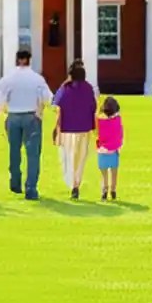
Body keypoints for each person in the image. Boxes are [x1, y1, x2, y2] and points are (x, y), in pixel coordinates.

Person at [0, 49, 53, 200]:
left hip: (14, 115)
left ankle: (15, 181)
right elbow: (47, 98)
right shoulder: (37, 79)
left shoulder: (9, 78)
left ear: (17, 60)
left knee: (14, 151)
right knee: (33, 154)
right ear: (29, 60)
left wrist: (1, 109)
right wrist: (40, 111)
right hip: (31, 116)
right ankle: (31, 188)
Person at [51, 60, 96, 200]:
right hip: (84, 128)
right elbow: (93, 107)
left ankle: (72, 183)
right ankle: (77, 183)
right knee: (81, 158)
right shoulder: (88, 88)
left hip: (67, 129)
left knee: (68, 157)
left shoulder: (65, 88)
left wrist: (55, 128)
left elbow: (58, 108)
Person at [96, 96, 124, 201]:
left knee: (104, 175)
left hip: (102, 151)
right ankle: (113, 190)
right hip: (113, 151)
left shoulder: (99, 122)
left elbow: (96, 131)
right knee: (114, 172)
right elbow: (120, 133)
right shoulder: (117, 120)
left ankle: (104, 190)